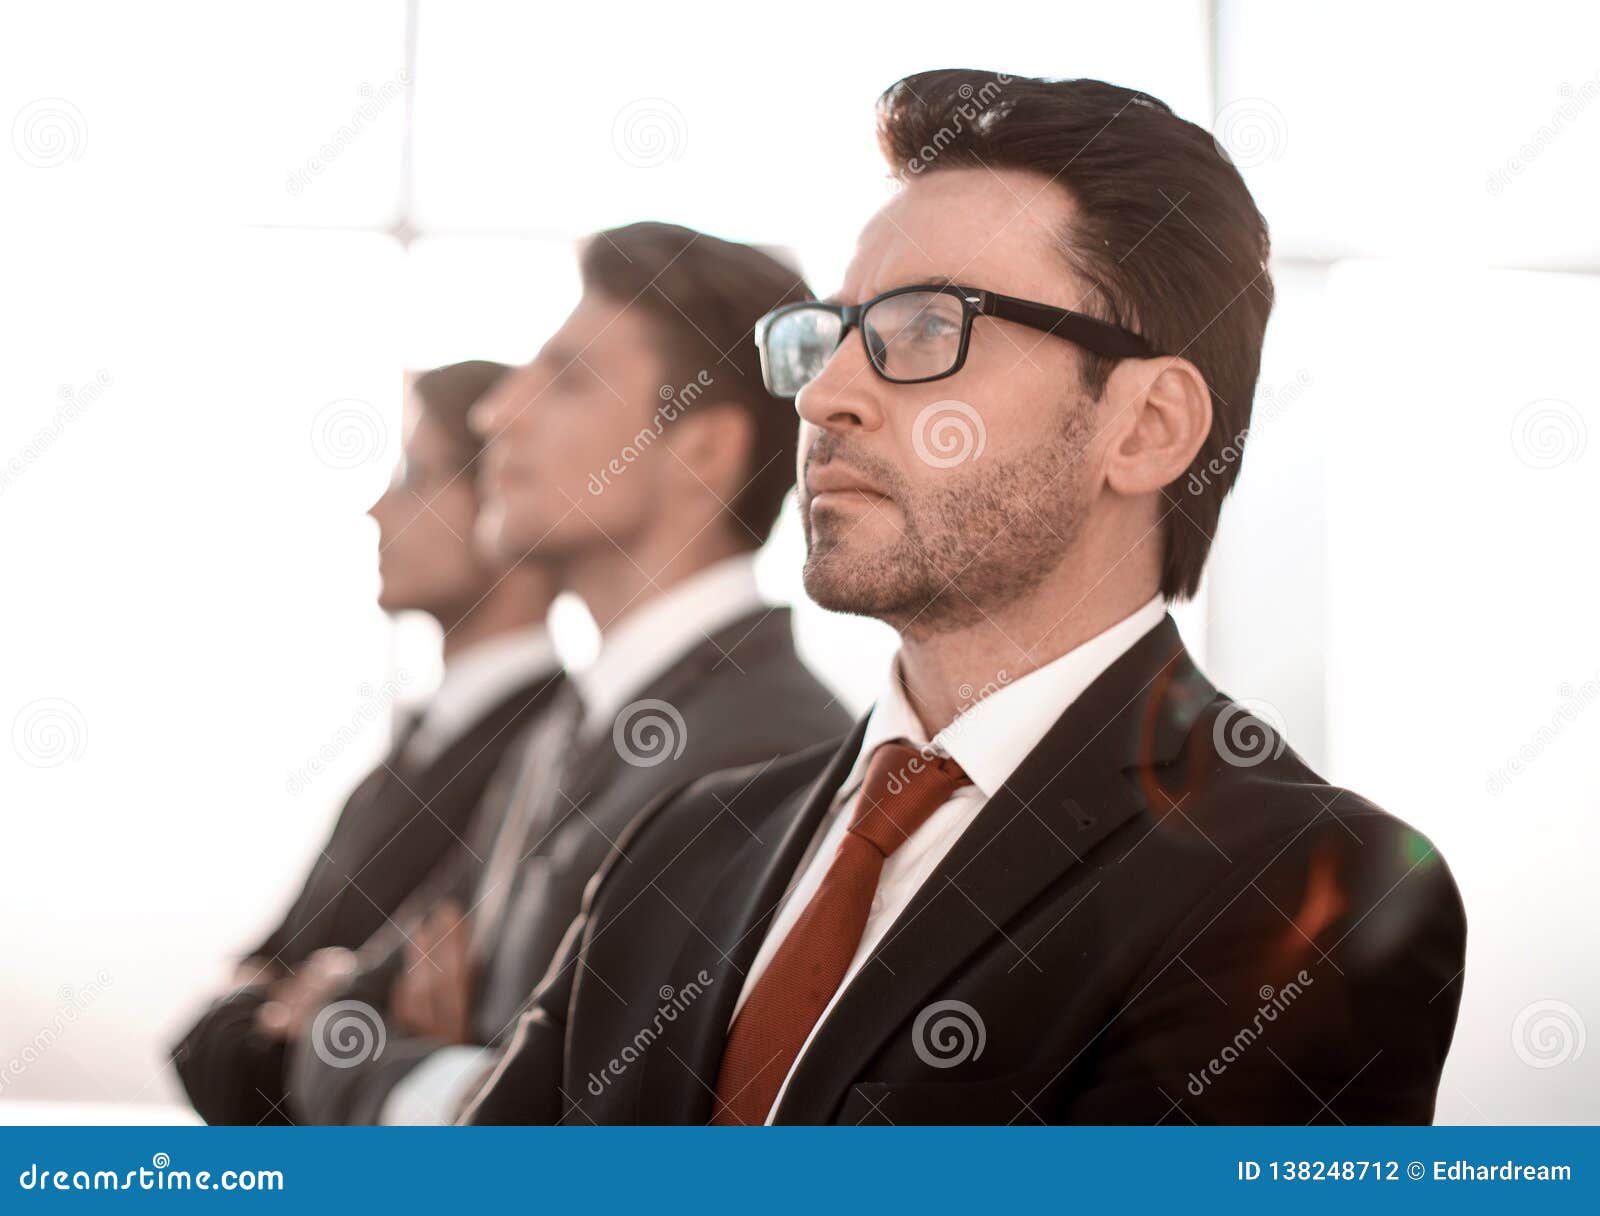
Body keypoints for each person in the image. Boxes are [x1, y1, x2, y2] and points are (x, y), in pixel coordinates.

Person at [462, 72, 1468, 1126]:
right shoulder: (688, 840)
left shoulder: (1307, 892)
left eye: (922, 326)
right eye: (832, 332)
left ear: (1146, 427)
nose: (823, 394)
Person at [287, 222, 852, 1124]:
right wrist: (448, 1067)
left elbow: (581, 1138)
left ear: (704, 450)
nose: (496, 414)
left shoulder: (780, 753)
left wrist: (420, 1073)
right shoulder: (558, 732)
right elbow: (343, 1018)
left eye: (569, 378)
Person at [173, 360, 566, 1124]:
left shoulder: (553, 750)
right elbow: (230, 1026)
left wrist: (299, 1015)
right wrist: (291, 1007)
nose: (378, 512)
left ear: (508, 494)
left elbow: (274, 1064)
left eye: (417, 476)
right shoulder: (420, 742)